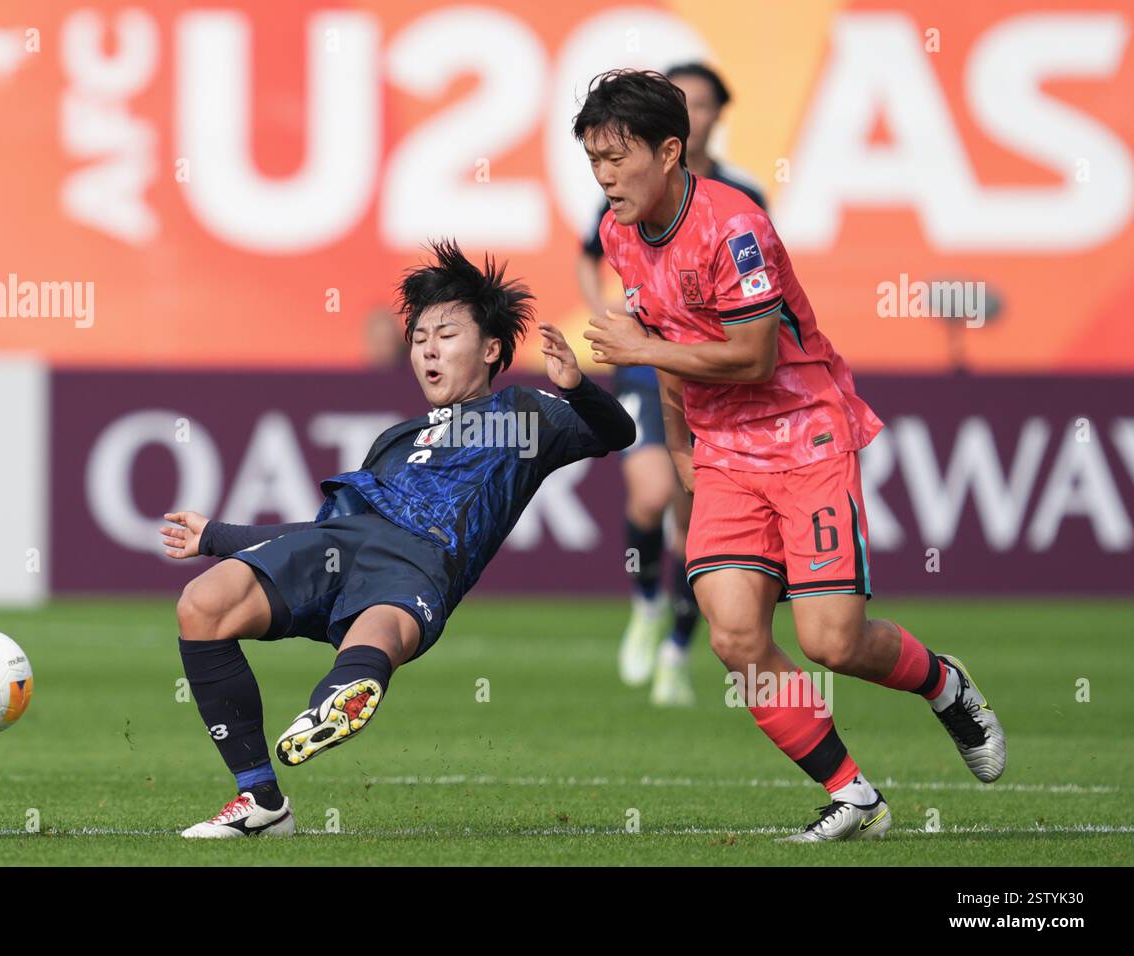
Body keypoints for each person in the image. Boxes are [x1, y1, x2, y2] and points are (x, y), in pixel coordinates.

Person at [575, 69, 1006, 842]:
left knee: (831, 641)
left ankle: (947, 685)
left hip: (805, 431)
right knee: (735, 635)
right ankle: (856, 799)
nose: (605, 176)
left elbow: (752, 357)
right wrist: (681, 448)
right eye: (594, 159)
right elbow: (670, 346)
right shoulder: (618, 235)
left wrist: (643, 348)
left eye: (618, 156)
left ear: (671, 151)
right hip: (725, 455)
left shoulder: (735, 228)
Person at [160, 239, 636, 838]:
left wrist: (578, 388)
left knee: (378, 626)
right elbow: (330, 530)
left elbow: (618, 431)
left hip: (423, 559)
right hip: (348, 543)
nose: (428, 350)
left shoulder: (523, 414)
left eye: (446, 335)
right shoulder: (394, 438)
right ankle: (261, 801)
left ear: (491, 349)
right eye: (419, 339)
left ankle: (339, 696)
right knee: (202, 604)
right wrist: (220, 536)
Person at [574, 63, 765, 707]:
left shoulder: (741, 205)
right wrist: (616, 328)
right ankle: (647, 604)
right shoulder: (624, 202)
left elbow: (757, 338)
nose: (603, 171)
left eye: (704, 102)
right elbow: (591, 257)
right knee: (652, 490)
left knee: (694, 528)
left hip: (718, 374)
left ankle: (678, 651)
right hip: (650, 361)